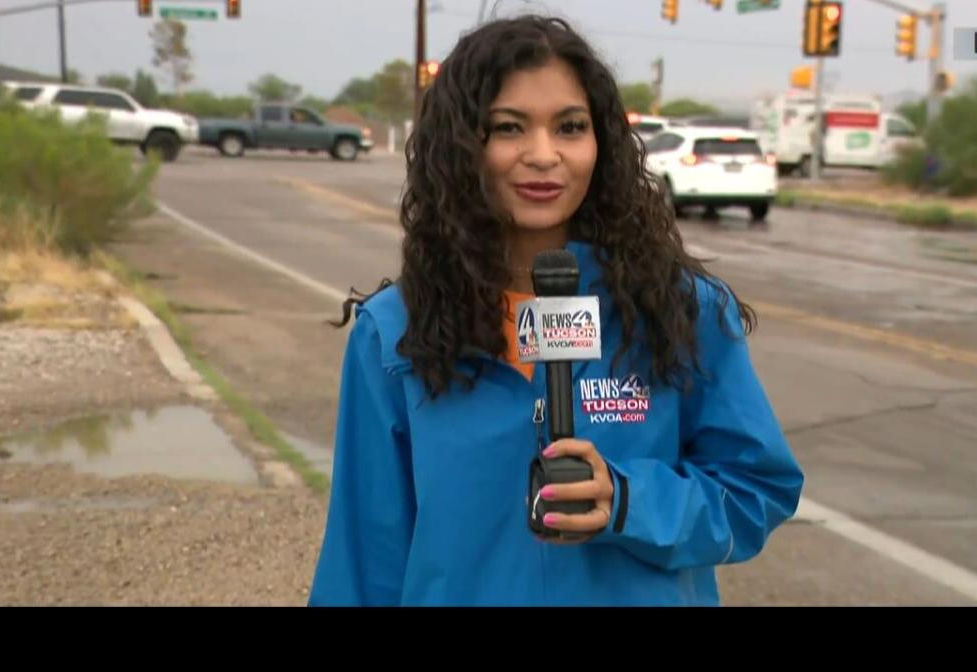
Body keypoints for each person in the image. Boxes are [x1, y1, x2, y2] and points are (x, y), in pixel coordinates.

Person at [308, 15, 803, 607]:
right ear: (462, 146)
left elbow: (755, 490)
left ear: (602, 144)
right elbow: (363, 562)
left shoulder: (679, 311)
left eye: (570, 127)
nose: (544, 156)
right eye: (509, 128)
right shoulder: (396, 335)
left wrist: (627, 500)